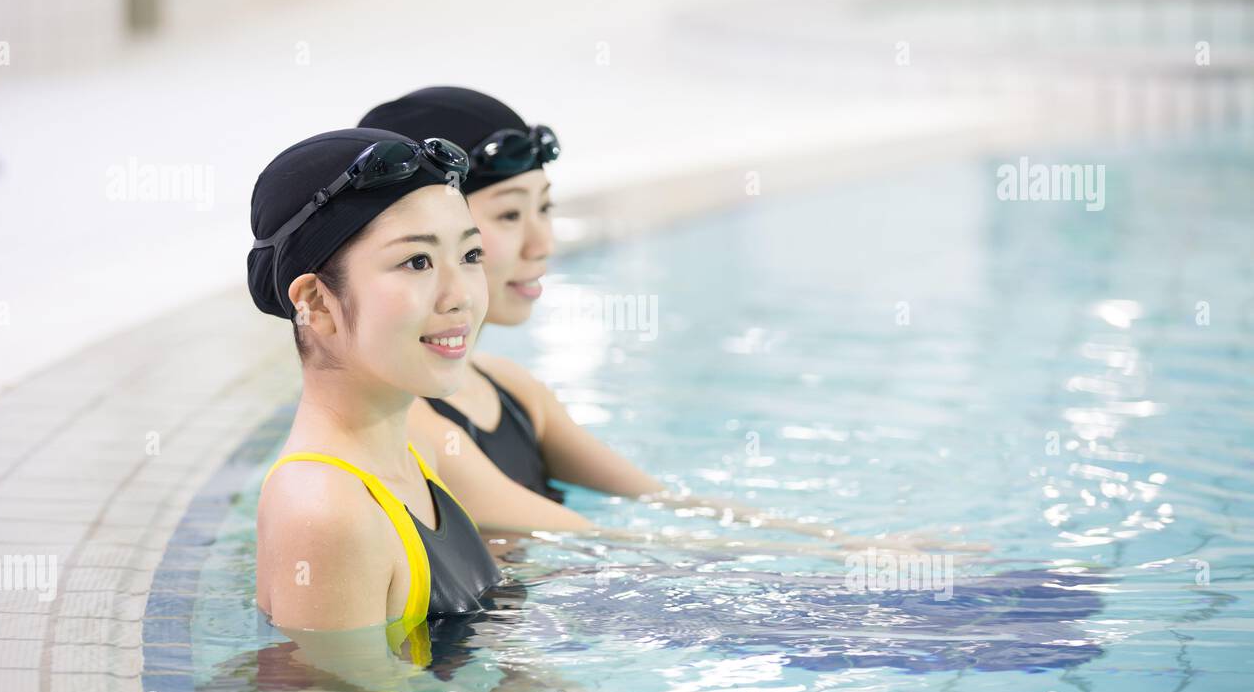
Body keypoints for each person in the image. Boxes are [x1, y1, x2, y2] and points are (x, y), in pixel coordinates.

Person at [358, 88, 976, 552]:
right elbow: (602, 540)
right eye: (509, 216)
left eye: (545, 209)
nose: (543, 243)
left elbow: (664, 503)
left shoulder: (512, 390)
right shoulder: (405, 420)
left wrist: (844, 543)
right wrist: (845, 563)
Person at [247, 126, 503, 662]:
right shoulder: (327, 514)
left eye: (471, 255)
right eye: (417, 262)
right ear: (316, 302)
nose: (461, 298)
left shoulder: (413, 458)